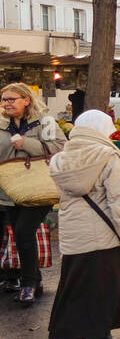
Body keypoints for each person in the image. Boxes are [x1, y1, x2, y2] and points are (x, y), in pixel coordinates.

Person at [47, 110, 120, 339]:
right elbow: (119, 199)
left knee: (81, 285)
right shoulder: (107, 155)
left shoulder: (61, 158)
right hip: (104, 233)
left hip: (74, 232)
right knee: (108, 286)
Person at [0, 83, 66, 305]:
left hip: (38, 186)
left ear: (26, 100)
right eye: (4, 99)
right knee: (18, 235)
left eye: (12, 99)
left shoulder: (45, 122)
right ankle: (32, 281)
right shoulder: (0, 123)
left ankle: (28, 283)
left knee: (23, 231)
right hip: (9, 188)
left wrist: (26, 143)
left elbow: (59, 148)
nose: (7, 103)